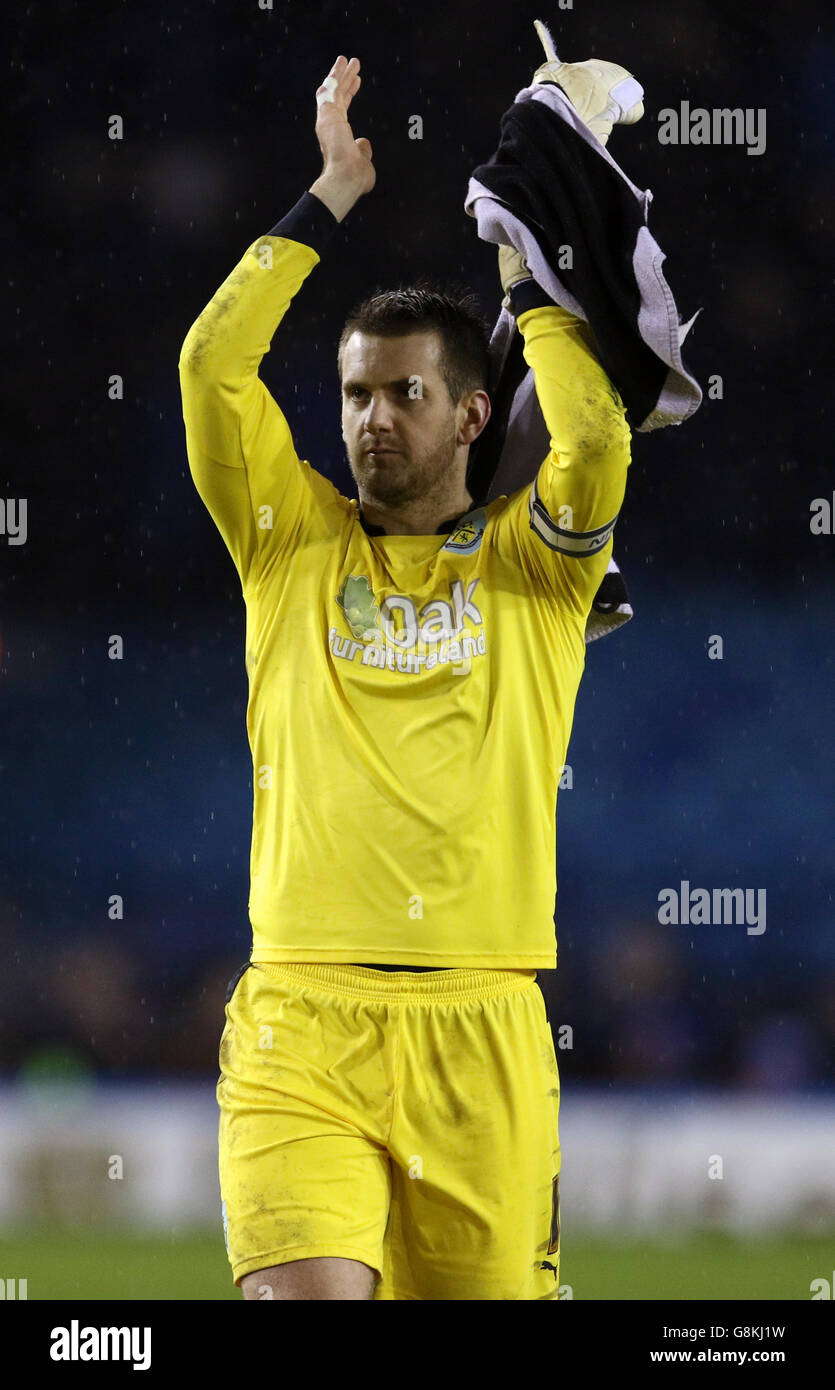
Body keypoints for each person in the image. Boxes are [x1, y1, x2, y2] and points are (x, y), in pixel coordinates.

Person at [179, 52, 632, 1300]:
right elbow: (210, 373)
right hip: (298, 1021)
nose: (372, 418)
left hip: (484, 1027)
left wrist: (523, 273)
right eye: (354, 395)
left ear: (473, 415)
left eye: (406, 394)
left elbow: (592, 435)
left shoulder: (539, 576)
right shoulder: (288, 541)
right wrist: (324, 200)